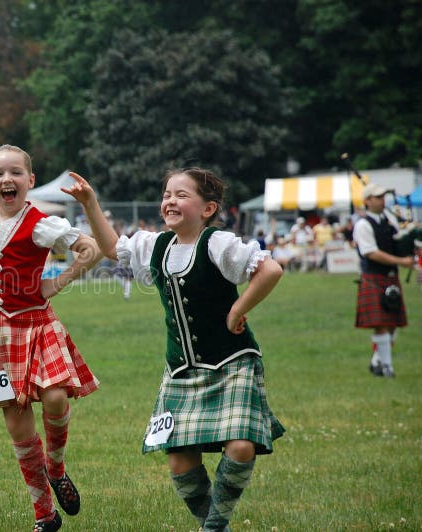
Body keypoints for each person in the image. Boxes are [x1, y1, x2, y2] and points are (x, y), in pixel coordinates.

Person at [64, 167, 285, 532]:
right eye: (167, 194)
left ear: (208, 208)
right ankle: (213, 526)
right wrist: (90, 203)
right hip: (181, 370)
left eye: (181, 195)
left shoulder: (218, 243)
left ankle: (213, 527)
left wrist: (237, 309)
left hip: (232, 362)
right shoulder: (155, 245)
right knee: (179, 461)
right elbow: (111, 247)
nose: (170, 201)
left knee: (241, 446)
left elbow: (271, 270)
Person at [0, 99, 101, 532]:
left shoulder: (41, 223)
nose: (6, 179)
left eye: (16, 172)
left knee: (55, 397)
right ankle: (43, 514)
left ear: (30, 180)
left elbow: (90, 249)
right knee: (16, 423)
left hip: (35, 322)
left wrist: (56, 283)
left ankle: (58, 466)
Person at [352, 183, 414, 378]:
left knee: (393, 322)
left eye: (382, 197)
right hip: (374, 277)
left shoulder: (389, 221)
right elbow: (371, 253)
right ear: (367, 201)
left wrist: (409, 234)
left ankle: (377, 360)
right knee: (381, 324)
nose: (382, 200)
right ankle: (387, 367)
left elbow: (398, 242)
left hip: (390, 277)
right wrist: (401, 261)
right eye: (377, 197)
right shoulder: (363, 225)